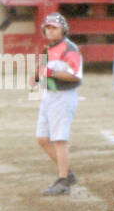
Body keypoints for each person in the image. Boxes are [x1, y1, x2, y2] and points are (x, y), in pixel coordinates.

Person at [33, 12, 83, 196]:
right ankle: (67, 174)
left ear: (63, 30)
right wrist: (38, 75)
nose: (50, 31)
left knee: (59, 139)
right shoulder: (49, 49)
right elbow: (44, 72)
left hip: (63, 97)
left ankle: (63, 180)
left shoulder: (70, 49)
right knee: (43, 139)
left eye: (54, 27)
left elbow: (74, 75)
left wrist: (50, 74)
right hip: (50, 96)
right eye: (48, 27)